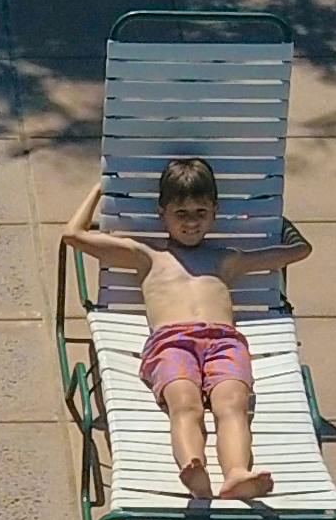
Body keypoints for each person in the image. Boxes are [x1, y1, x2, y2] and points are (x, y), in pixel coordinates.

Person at [62, 158, 310, 500]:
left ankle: (236, 473)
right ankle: (193, 467)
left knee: (233, 404)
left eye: (200, 212)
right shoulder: (146, 255)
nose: (191, 223)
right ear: (162, 213)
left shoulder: (228, 258)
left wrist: (272, 213)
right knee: (185, 404)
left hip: (225, 343)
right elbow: (73, 235)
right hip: (172, 343)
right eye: (181, 214)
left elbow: (299, 251)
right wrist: (101, 188)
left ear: (214, 212)